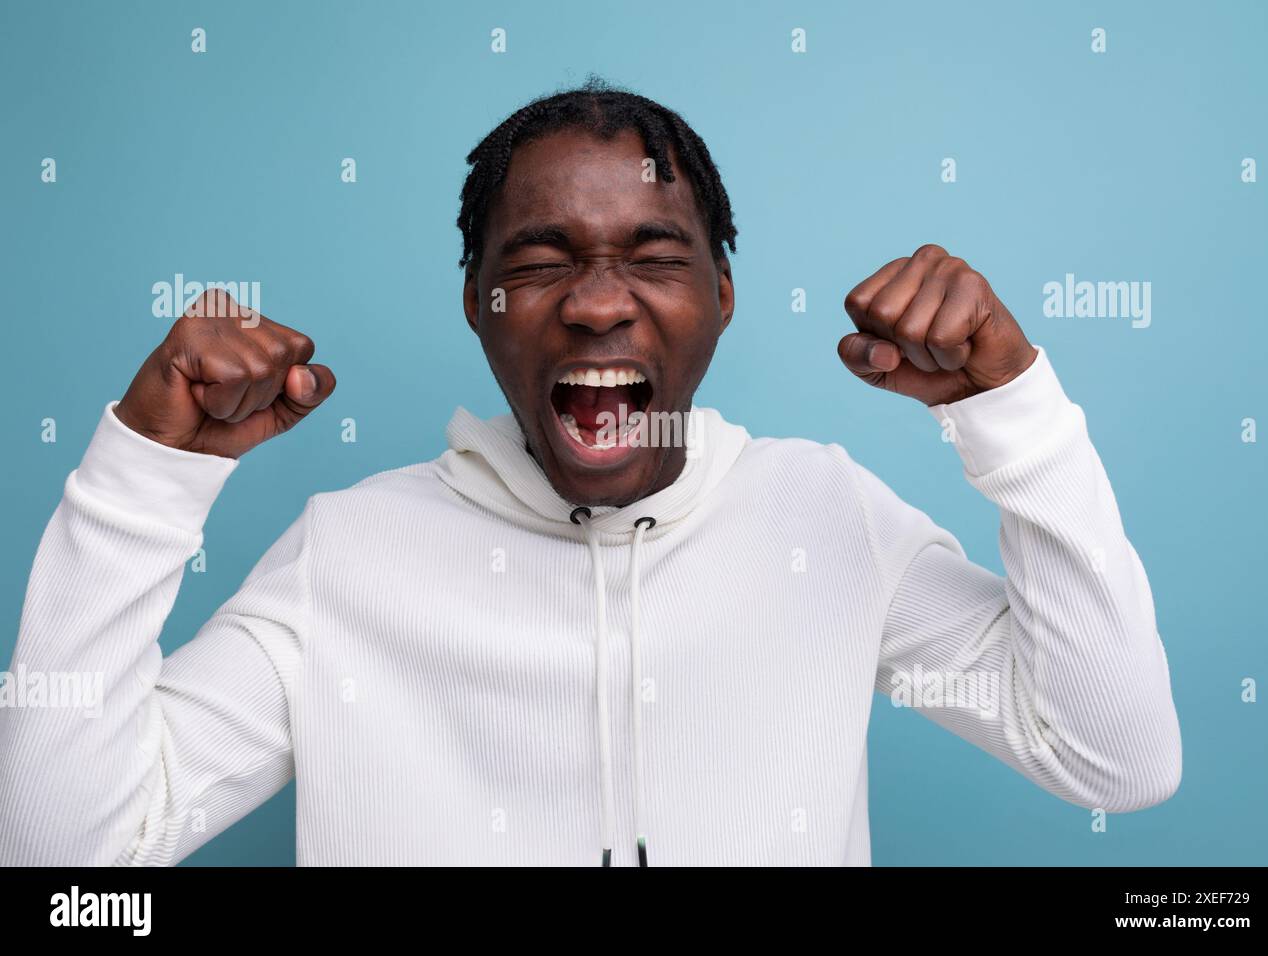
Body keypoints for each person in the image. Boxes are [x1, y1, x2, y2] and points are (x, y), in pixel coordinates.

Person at [0, 79, 1181, 866]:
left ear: (721, 298)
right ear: (480, 303)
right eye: (544, 258)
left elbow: (1111, 755)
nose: (601, 300)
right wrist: (147, 477)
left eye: (655, 257)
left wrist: (1009, 407)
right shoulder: (347, 554)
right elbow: (66, 849)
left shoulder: (824, 517)